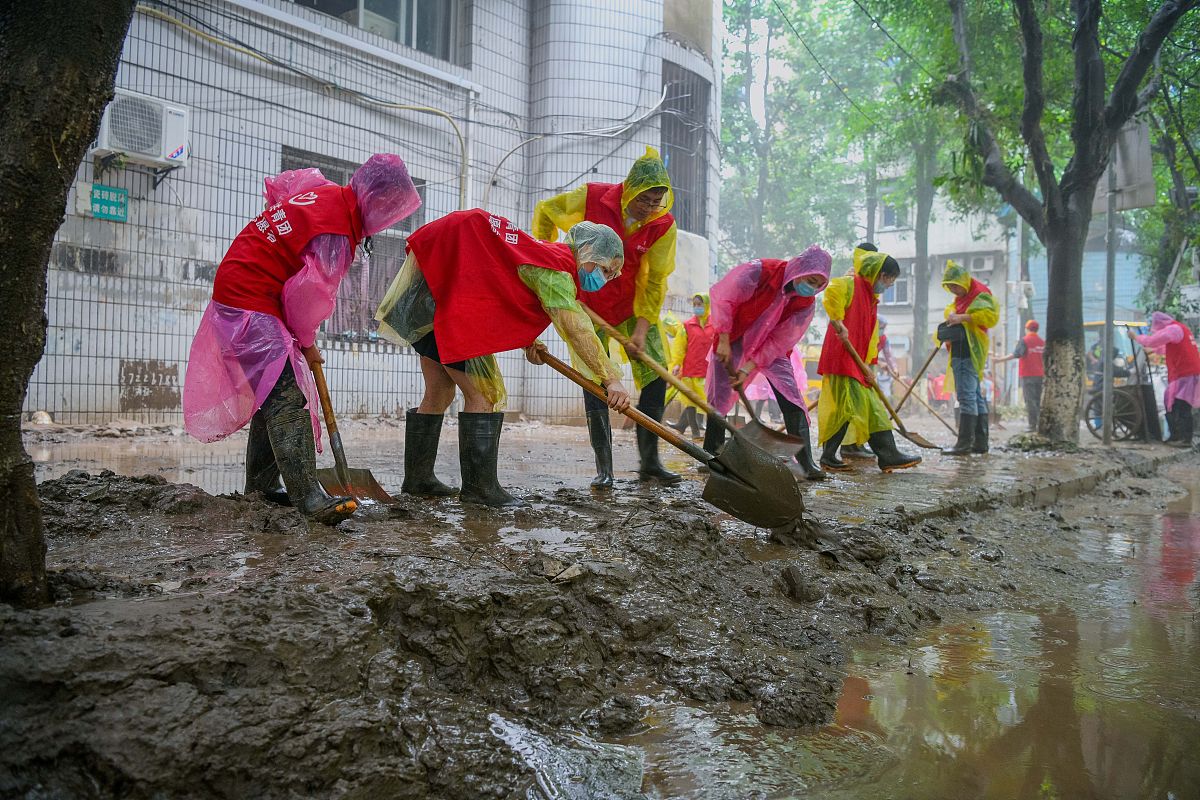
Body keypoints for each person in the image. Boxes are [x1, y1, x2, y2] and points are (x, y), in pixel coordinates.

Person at [184, 155, 421, 525]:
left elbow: (284, 188)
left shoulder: (328, 194)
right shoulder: (338, 228)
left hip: (244, 290)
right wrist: (307, 341)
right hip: (250, 300)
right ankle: (308, 495)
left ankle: (261, 488)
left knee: (272, 393)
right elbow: (307, 296)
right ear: (377, 201)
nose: (388, 217)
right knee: (288, 396)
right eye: (390, 208)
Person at [374, 211, 630, 507]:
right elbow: (576, 329)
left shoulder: (541, 254)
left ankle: (419, 479)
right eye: (606, 270)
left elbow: (502, 287)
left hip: (430, 290)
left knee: (439, 392)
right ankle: (480, 489)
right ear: (587, 251)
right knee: (484, 394)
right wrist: (611, 379)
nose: (606, 279)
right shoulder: (557, 269)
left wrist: (528, 340)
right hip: (446, 299)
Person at [532, 146, 680, 487]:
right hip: (587, 302)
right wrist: (546, 258)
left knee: (657, 377)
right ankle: (605, 469)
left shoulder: (662, 225)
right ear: (631, 188)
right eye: (645, 198)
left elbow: (655, 279)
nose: (649, 207)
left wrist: (642, 329)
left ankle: (650, 462)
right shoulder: (592, 197)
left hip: (631, 309)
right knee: (596, 378)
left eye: (657, 201)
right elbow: (546, 211)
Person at [702, 245, 833, 481]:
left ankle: (805, 462)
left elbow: (779, 341)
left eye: (817, 285)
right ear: (799, 268)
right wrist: (722, 337)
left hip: (772, 351)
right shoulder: (759, 271)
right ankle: (712, 454)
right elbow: (724, 299)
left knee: (792, 398)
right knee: (719, 398)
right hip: (734, 337)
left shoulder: (806, 303)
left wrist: (747, 368)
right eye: (810, 280)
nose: (810, 288)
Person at [816, 244, 921, 473]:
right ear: (881, 275)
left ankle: (830, 456)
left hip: (855, 362)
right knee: (863, 407)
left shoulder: (871, 297)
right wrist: (837, 319)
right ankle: (887, 454)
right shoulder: (851, 283)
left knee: (849, 408)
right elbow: (831, 291)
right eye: (890, 280)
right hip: (842, 358)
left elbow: (869, 336)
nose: (889, 285)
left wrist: (870, 363)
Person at [937, 260, 1001, 455]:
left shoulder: (979, 293)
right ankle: (980, 443)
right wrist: (952, 315)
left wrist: (961, 318)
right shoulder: (963, 296)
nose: (953, 291)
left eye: (955, 286)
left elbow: (989, 317)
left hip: (968, 349)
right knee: (975, 395)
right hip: (964, 347)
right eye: (950, 288)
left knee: (966, 396)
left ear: (963, 281)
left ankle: (963, 444)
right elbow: (953, 310)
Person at [1130, 311, 1200, 447]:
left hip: (1185, 373)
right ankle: (1176, 436)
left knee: (1180, 405)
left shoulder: (1173, 329)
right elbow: (1167, 348)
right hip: (1185, 373)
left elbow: (1152, 340)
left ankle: (1183, 439)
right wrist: (1152, 350)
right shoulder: (1180, 329)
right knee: (1172, 402)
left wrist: (1135, 337)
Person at [668, 293, 715, 438]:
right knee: (689, 401)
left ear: (706, 305)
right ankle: (695, 432)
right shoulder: (687, 325)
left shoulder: (715, 325)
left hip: (707, 371)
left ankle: (685, 427)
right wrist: (676, 364)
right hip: (689, 369)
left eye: (699, 305)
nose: (697, 308)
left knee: (705, 402)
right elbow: (680, 347)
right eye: (694, 305)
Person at [994, 319, 1044, 429]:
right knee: (1038, 400)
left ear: (1027, 329)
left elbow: (1016, 354)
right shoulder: (1042, 342)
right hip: (1040, 375)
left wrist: (999, 360)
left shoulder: (1025, 340)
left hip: (1028, 374)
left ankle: (1032, 425)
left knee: (1030, 400)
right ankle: (1040, 424)